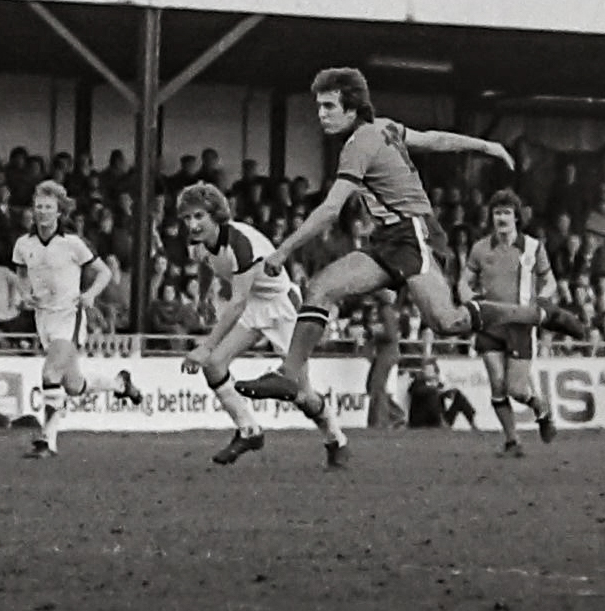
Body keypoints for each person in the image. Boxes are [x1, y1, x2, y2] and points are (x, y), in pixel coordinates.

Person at [238, 68, 586, 410]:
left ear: (353, 108)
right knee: (320, 288)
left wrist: (283, 250)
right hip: (389, 239)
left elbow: (331, 209)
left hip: (413, 234)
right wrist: (487, 145)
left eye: (329, 106)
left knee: (448, 322)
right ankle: (288, 374)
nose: (321, 115)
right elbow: (434, 139)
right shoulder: (383, 127)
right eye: (319, 106)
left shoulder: (359, 144)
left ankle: (540, 314)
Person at [174, 183, 347, 469]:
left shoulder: (240, 244)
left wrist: (205, 346)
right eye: (187, 218)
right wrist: (205, 295)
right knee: (214, 365)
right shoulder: (200, 244)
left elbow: (238, 302)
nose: (192, 224)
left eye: (198, 216)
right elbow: (207, 264)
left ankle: (335, 438)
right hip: (255, 305)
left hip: (282, 307)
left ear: (215, 215)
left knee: (303, 396)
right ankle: (248, 430)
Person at [11, 180, 142, 458]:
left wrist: (90, 295)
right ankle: (119, 384)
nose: (43, 212)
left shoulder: (73, 243)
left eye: (48, 207)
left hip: (69, 317)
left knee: (49, 374)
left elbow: (104, 272)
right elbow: (21, 274)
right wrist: (25, 295)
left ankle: (47, 441)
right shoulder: (24, 244)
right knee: (73, 385)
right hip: (43, 318)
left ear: (59, 212)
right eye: (39, 207)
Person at [460, 190, 558, 458]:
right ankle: (512, 440)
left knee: (516, 389)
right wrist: (469, 300)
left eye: (506, 213)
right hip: (490, 324)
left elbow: (550, 281)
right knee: (497, 383)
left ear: (516, 217)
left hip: (520, 325)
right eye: (497, 213)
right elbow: (464, 281)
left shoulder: (532, 247)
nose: (501, 218)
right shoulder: (480, 248)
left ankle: (541, 408)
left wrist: (541, 300)